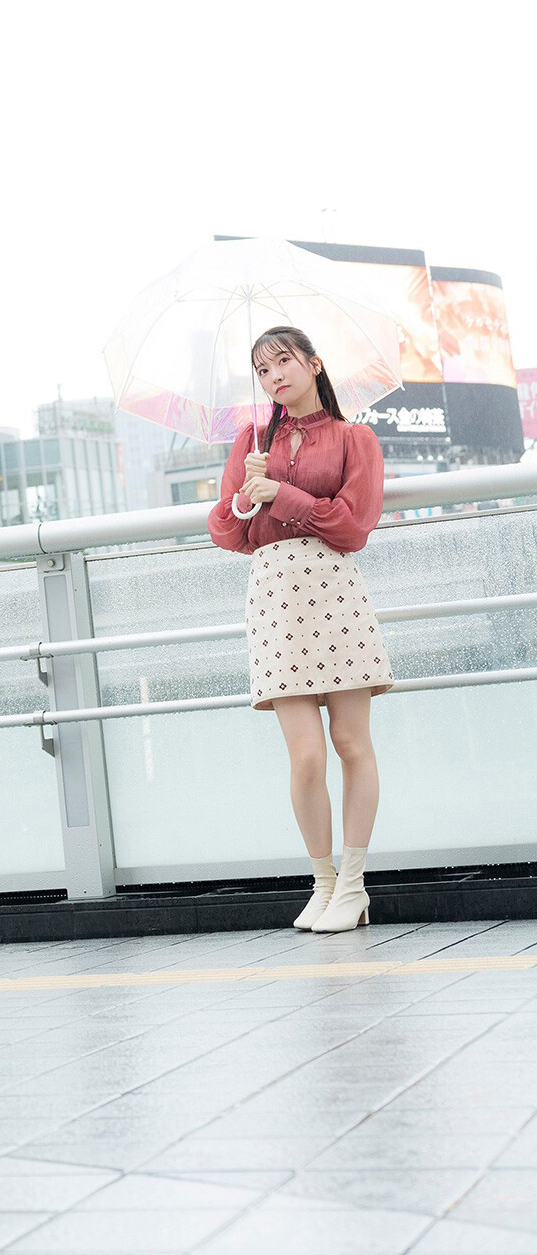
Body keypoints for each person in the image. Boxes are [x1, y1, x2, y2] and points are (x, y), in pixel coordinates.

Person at [208, 326, 392, 933]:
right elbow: (228, 534)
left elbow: (353, 527)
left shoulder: (352, 438)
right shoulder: (250, 441)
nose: (274, 376)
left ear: (314, 363)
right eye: (262, 370)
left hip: (333, 588)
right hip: (274, 594)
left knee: (350, 743)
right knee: (306, 755)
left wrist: (281, 494)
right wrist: (245, 494)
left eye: (283, 362)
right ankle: (324, 882)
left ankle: (356, 884)